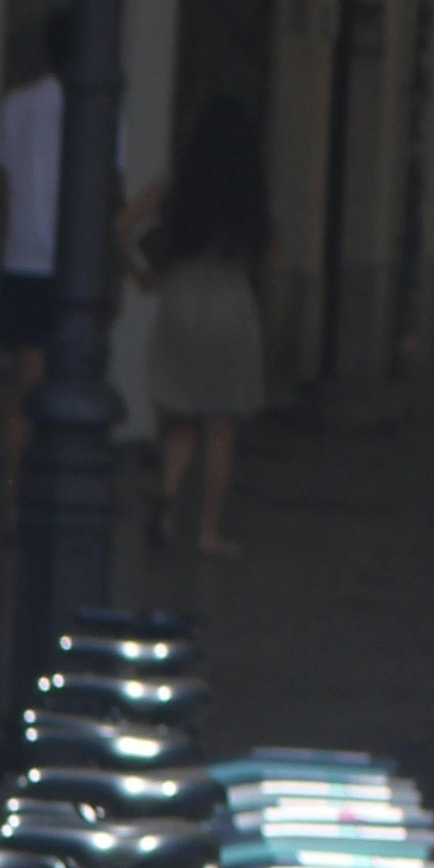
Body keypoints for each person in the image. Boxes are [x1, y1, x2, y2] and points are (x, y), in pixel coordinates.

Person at [137, 91, 269, 559]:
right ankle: (209, 531)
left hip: (181, 294)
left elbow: (120, 227)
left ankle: (168, 508)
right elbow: (267, 251)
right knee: (220, 425)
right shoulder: (248, 189)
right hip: (230, 299)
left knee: (180, 420)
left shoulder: (177, 183)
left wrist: (143, 274)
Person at [0, 15, 72, 377]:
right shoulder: (101, 110)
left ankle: (10, 434)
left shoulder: (17, 104)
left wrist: (3, 244)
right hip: (73, 260)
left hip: (22, 254)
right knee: (71, 370)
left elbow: (2, 185)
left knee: (26, 378)